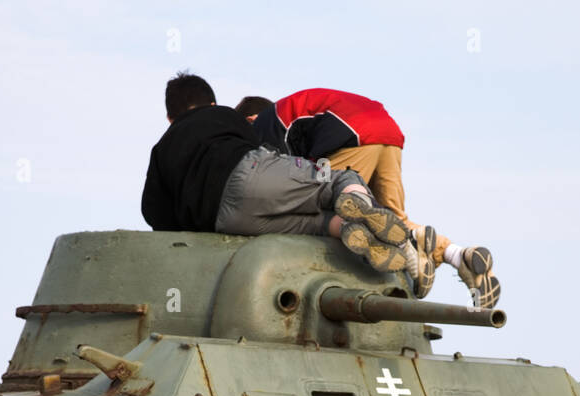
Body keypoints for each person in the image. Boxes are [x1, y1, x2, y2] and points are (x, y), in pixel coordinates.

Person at [141, 73, 421, 283]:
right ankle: (360, 206)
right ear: (212, 103)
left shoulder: (160, 151)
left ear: (169, 117)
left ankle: (350, 229)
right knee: (336, 181)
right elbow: (260, 148)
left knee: (319, 226)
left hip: (226, 221)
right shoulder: (223, 115)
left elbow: (154, 214)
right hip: (248, 175)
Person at [236, 88, 500, 308]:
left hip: (350, 134)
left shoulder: (262, 129)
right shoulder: (292, 112)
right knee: (389, 218)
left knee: (345, 216)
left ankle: (411, 250)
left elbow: (283, 191)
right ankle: (458, 256)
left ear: (250, 118)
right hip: (386, 132)